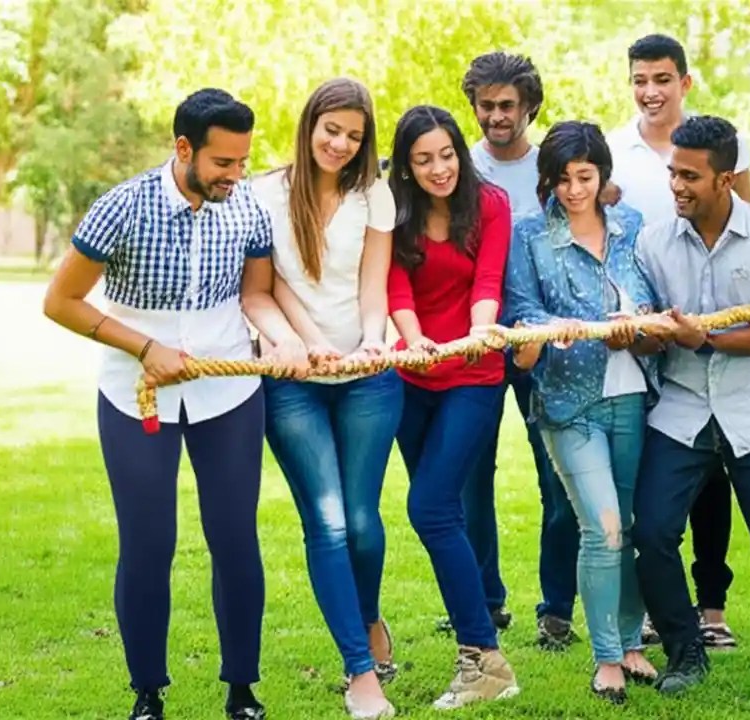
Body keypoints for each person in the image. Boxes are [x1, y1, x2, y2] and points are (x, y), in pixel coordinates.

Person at [42, 88, 308, 720]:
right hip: (135, 392)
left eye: (243, 162)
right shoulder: (123, 208)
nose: (236, 176)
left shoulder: (246, 209)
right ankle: (147, 695)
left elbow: (258, 295)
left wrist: (287, 339)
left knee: (235, 538)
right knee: (148, 541)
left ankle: (242, 691)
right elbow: (61, 302)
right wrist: (142, 346)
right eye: (223, 163)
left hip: (228, 389)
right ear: (183, 148)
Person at [630, 116, 750, 705]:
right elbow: (642, 331)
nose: (677, 186)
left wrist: (700, 339)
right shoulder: (653, 242)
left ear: (726, 179)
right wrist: (646, 333)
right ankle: (685, 650)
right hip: (682, 409)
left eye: (691, 175)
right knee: (654, 531)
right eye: (673, 173)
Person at [250, 78, 399, 720]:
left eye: (354, 135)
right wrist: (297, 342)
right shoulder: (263, 195)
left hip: (367, 376)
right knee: (329, 522)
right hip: (291, 383)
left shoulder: (375, 197)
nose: (339, 143)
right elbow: (258, 291)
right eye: (330, 129)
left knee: (362, 522)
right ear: (309, 123)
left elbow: (374, 289)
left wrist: (370, 342)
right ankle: (360, 673)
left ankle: (366, 616)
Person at [606, 32, 750, 649]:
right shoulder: (614, 149)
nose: (650, 92)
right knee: (650, 475)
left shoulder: (724, 142)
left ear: (684, 83)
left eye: (662, 79)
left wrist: (721, 325)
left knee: (712, 474)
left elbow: (743, 224)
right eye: (640, 80)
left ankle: (712, 607)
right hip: (645, 332)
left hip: (711, 330)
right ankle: (649, 607)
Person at [502, 121, 660, 703]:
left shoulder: (632, 228)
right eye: (562, 178)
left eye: (584, 177)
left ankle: (631, 643)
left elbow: (649, 300)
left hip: (632, 395)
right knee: (604, 526)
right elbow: (522, 312)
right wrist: (549, 330)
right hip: (568, 402)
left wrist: (635, 324)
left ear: (603, 176)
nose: (573, 190)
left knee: (633, 525)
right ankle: (607, 662)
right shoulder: (529, 238)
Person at [385, 104, 519, 709]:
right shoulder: (395, 211)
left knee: (432, 505)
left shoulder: (489, 204)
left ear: (459, 153)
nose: (438, 169)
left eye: (446, 155)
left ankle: (483, 655)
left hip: (473, 371)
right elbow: (395, 285)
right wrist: (413, 344)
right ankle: (480, 652)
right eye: (423, 160)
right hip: (413, 373)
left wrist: (477, 332)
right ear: (407, 167)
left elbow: (488, 280)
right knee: (441, 513)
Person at [459, 50, 580, 650]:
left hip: (542, 336)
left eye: (508, 105)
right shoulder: (458, 167)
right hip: (476, 338)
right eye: (486, 105)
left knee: (558, 475)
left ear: (529, 106)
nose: (496, 116)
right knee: (471, 476)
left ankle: (557, 607)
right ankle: (483, 600)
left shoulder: (550, 171)